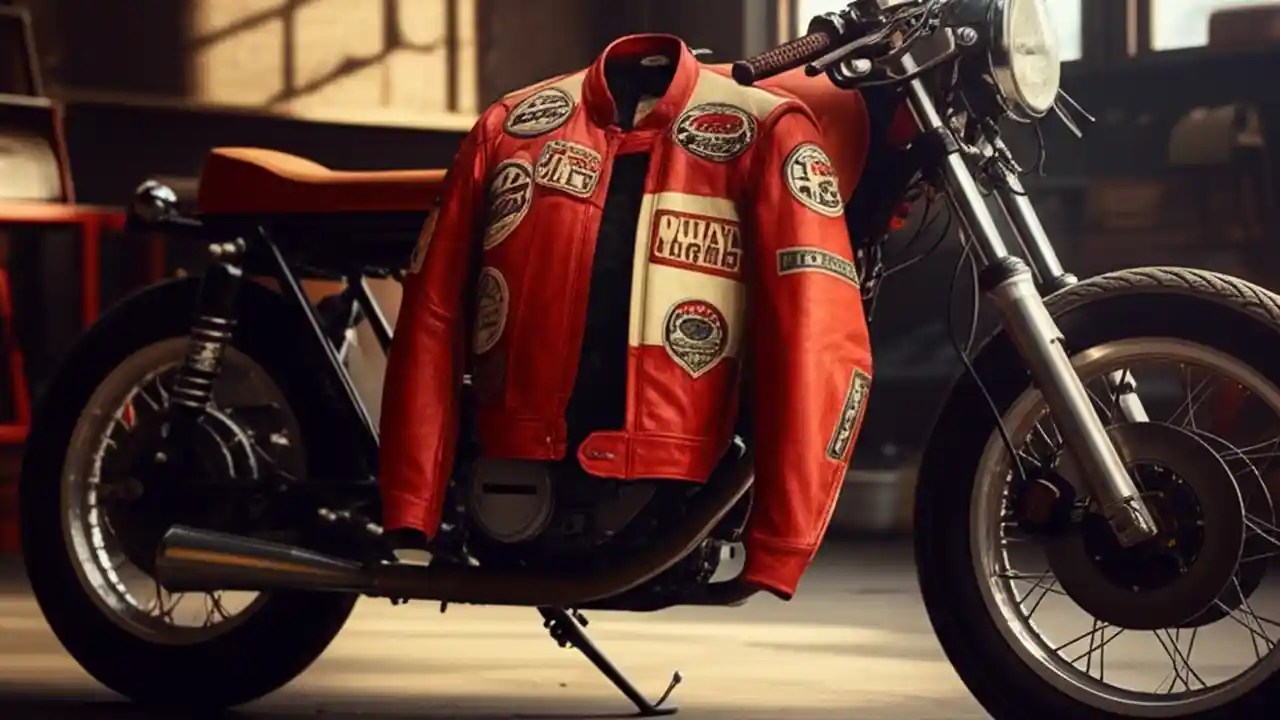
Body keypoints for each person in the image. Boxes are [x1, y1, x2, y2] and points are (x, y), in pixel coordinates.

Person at [378, 34, 873, 600]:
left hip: (669, 481)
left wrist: (782, 540)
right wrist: (411, 503)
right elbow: (432, 314)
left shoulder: (769, 127)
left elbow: (819, 335)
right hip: (517, 471)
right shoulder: (512, 125)